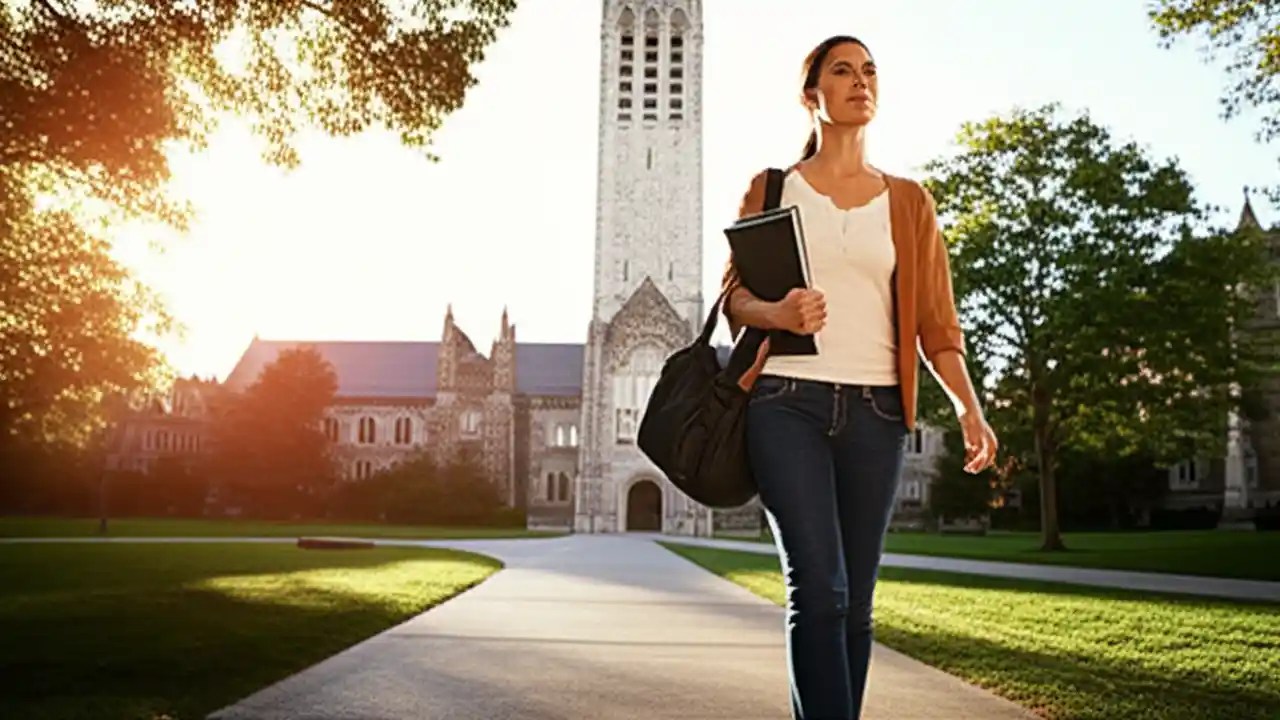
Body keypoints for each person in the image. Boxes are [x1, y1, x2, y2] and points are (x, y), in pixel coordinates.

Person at [720, 35, 999, 720]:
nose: (860, 81)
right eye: (842, 70)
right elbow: (732, 297)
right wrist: (777, 309)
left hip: (878, 414)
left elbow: (938, 325)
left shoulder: (908, 202)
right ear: (811, 94)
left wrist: (969, 406)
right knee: (819, 590)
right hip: (786, 404)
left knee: (856, 604)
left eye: (869, 71)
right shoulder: (772, 187)